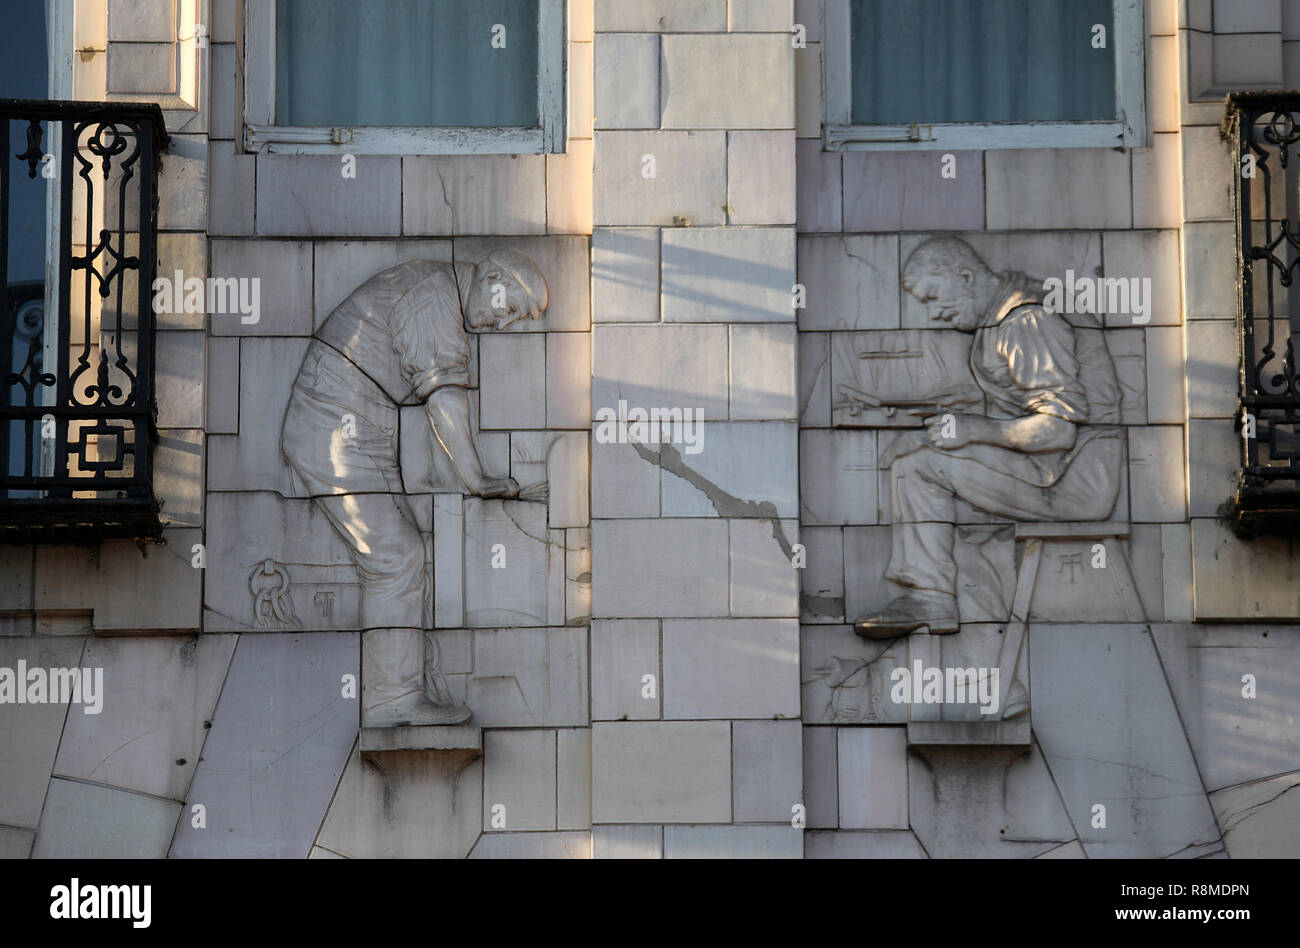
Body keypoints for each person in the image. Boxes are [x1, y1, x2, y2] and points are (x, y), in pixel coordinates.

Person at [281, 249, 548, 725]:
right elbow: (444, 399)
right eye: (508, 308)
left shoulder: (435, 288)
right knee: (396, 556)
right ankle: (393, 700)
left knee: (404, 554)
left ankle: (408, 684)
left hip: (359, 427)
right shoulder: (433, 296)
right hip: (333, 425)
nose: (503, 324)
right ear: (491, 276)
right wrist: (477, 478)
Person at [854, 237, 1122, 639]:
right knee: (916, 452)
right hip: (1051, 469)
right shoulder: (1004, 309)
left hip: (1072, 482)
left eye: (933, 298)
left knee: (917, 466)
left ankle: (931, 598)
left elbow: (1059, 428)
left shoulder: (1024, 320)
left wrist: (973, 429)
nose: (934, 313)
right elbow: (1022, 397)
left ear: (965, 277)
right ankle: (959, 607)